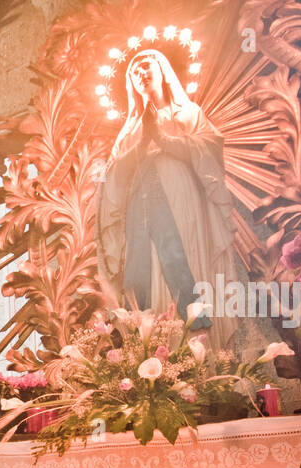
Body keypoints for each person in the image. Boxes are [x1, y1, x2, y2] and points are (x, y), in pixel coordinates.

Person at [96, 48, 243, 348]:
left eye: (147, 65)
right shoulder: (129, 132)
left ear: (163, 70)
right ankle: (157, 348)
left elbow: (210, 148)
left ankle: (201, 349)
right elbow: (111, 179)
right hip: (141, 213)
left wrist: (165, 141)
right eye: (134, 72)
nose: (141, 73)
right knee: (148, 271)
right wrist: (139, 149)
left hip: (183, 204)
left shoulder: (188, 114)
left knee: (184, 258)